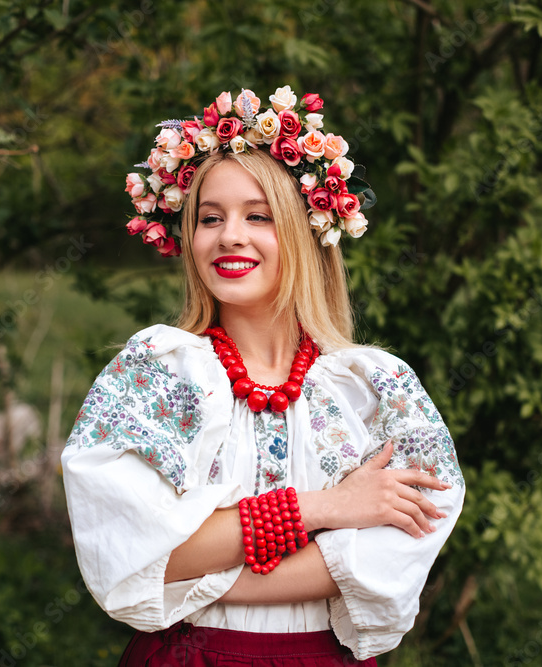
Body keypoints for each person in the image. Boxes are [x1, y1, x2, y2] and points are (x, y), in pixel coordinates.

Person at [61, 85, 464, 666]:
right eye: (209, 218)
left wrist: (203, 570)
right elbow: (131, 550)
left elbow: (402, 548)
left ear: (306, 231)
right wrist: (327, 508)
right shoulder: (156, 373)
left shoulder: (372, 388)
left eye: (259, 216)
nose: (230, 236)